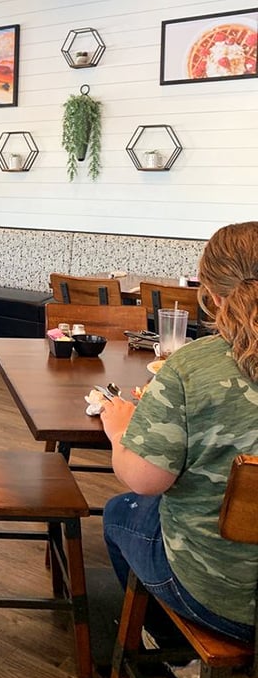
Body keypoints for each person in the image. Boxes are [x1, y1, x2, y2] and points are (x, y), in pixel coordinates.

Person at [100, 220, 258, 643]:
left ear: (213, 295)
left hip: (223, 597)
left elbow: (148, 481)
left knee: (120, 512)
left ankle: (169, 646)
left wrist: (118, 431)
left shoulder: (190, 367)